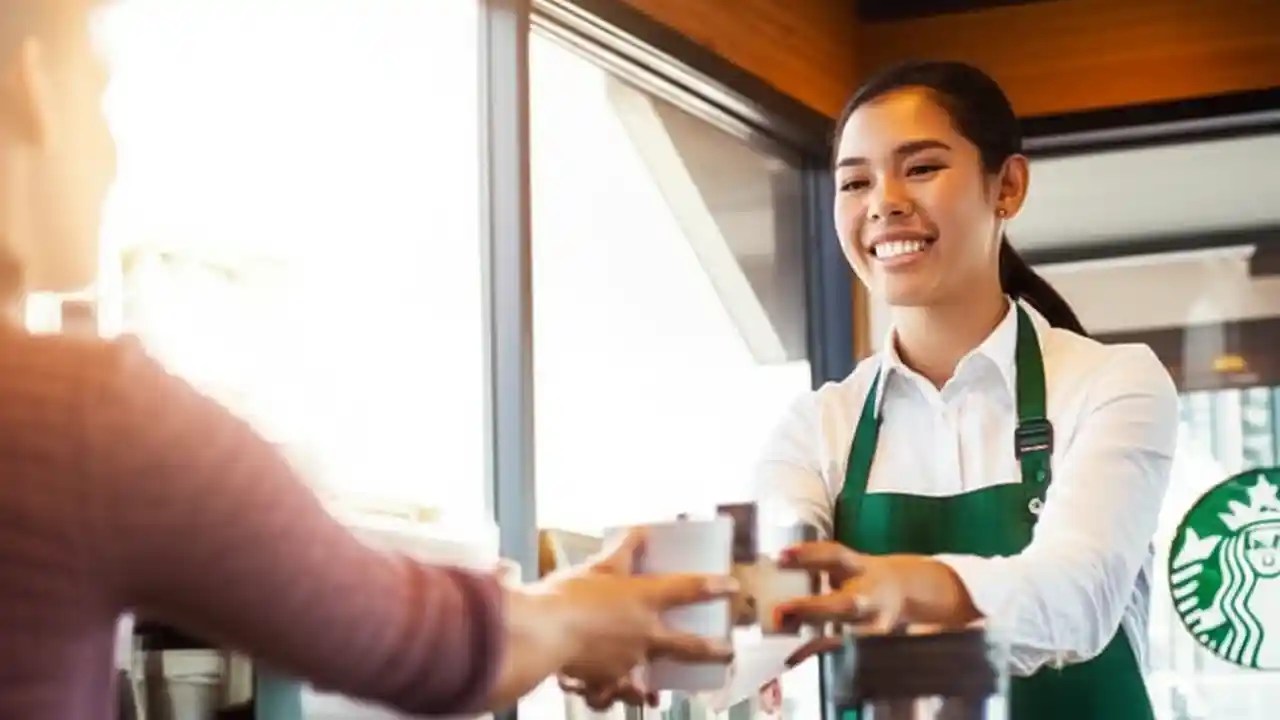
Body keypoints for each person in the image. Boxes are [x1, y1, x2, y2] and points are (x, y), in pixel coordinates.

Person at [0, 2, 735, 718]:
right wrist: (582, 617)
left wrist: (571, 615)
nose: (110, 148)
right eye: (97, 92)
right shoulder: (80, 421)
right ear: (36, 91)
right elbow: (422, 641)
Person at [753, 61, 1179, 718]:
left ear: (1006, 186)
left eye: (920, 168)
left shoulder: (1111, 383)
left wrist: (887, 586)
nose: (883, 200)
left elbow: (1077, 597)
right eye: (855, 181)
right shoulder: (818, 425)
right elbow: (778, 594)